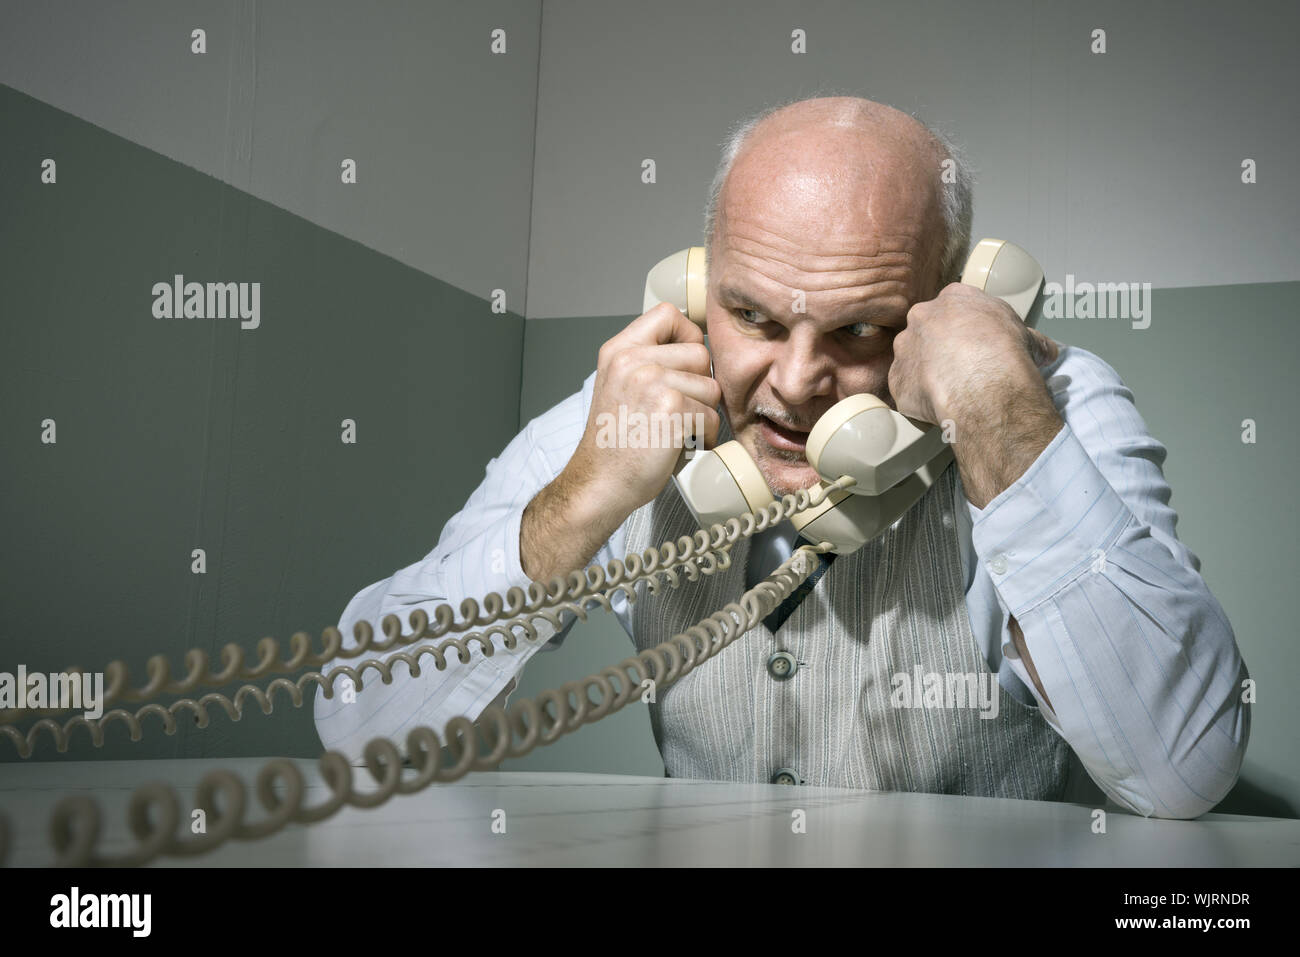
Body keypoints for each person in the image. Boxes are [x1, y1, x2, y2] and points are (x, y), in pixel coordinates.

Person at [313, 96, 1249, 818]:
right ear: (695, 285)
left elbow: (1186, 768)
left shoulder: (1048, 405)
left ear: (953, 302)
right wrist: (583, 500)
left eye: (860, 328)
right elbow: (358, 730)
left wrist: (999, 418)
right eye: (752, 315)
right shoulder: (633, 405)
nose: (795, 383)